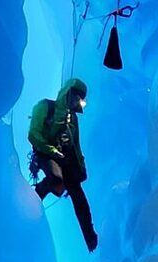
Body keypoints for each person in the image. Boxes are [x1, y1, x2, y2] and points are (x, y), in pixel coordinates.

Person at [29, 78, 98, 252]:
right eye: (75, 96)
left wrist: (80, 168)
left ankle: (90, 238)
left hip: (64, 159)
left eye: (79, 99)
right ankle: (31, 200)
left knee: (79, 198)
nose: (76, 101)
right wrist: (52, 151)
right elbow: (33, 134)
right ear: (67, 92)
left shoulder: (72, 119)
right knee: (56, 179)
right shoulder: (45, 107)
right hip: (45, 153)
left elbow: (76, 145)